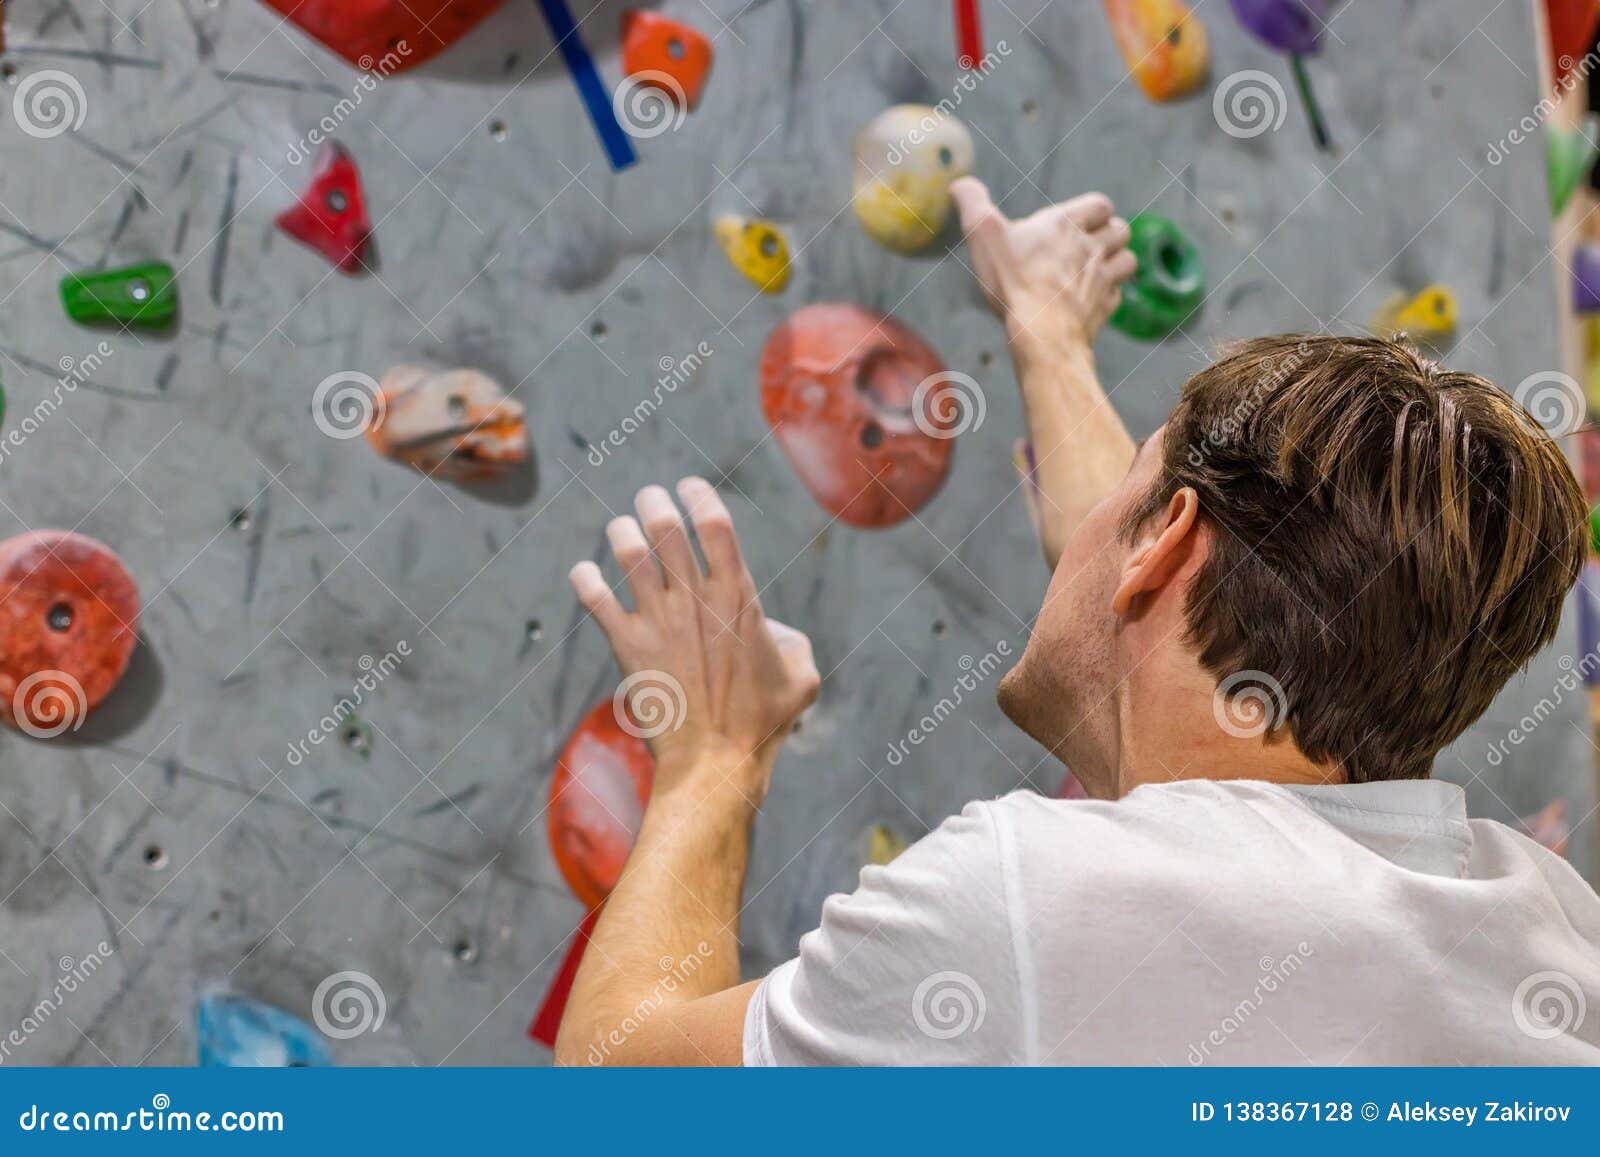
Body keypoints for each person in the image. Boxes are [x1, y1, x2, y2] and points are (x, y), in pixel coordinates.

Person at [554, 177, 1600, 1066]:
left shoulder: (1023, 900)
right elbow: (1157, 606)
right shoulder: (1545, 925)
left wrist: (712, 755)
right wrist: (1045, 331)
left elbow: (615, 1089)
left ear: (1161, 543)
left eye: (1131, 495)